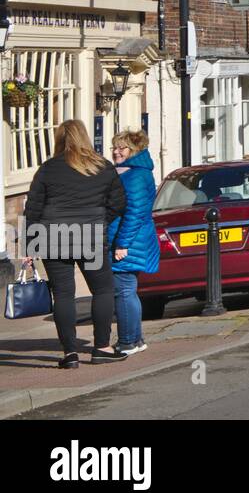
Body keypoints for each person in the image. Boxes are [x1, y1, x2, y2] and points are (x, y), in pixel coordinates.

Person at [21, 120, 127, 368]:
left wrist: (29, 245)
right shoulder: (102, 166)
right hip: (90, 235)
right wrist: (100, 221)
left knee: (63, 295)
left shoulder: (48, 169)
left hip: (52, 236)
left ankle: (69, 354)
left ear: (59, 140)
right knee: (102, 290)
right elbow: (119, 203)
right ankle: (102, 347)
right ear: (85, 138)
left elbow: (33, 209)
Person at [107, 129, 159, 356]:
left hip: (130, 240)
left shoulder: (135, 174)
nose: (117, 151)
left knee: (123, 290)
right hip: (131, 238)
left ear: (134, 150)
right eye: (115, 147)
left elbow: (135, 211)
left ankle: (128, 342)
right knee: (127, 290)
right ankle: (135, 339)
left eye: (122, 147)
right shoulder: (128, 171)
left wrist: (122, 244)